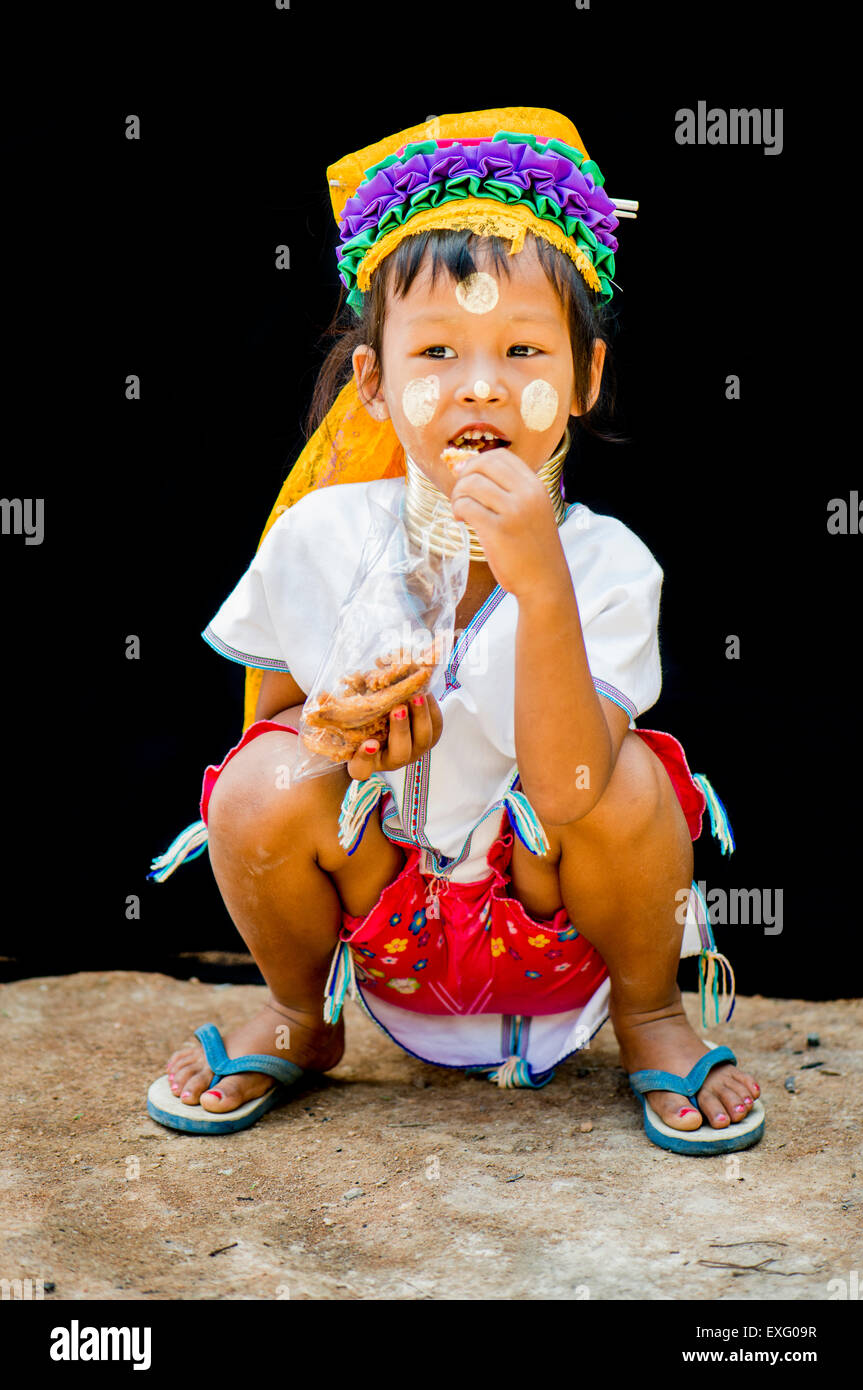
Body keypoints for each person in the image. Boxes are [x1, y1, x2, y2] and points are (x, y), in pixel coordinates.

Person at [146, 107, 763, 1153]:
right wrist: (338, 744)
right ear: (374, 385)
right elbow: (272, 738)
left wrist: (542, 587)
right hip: (386, 922)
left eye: (522, 348)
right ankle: (302, 1015)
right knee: (262, 778)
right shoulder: (316, 537)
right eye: (436, 351)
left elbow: (571, 795)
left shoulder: (608, 565)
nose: (480, 384)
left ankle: (651, 1014)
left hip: (555, 933)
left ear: (585, 378)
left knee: (632, 783)